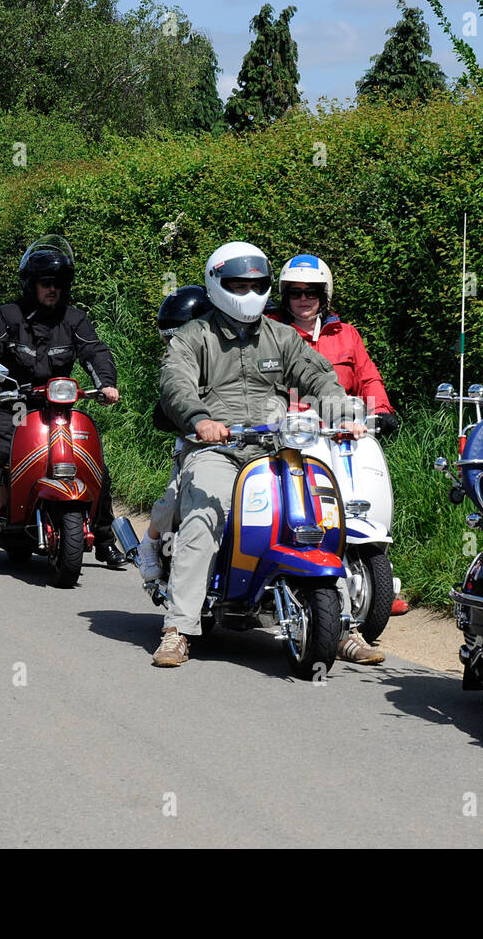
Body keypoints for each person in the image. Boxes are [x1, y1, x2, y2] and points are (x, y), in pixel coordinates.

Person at [151, 241, 363, 667]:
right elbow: (176, 384)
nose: (249, 293)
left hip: (277, 448)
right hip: (216, 448)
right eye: (238, 284)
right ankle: (178, 627)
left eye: (257, 284)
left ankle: (339, 623)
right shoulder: (195, 337)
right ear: (217, 284)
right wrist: (199, 419)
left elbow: (316, 374)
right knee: (204, 517)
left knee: (321, 517)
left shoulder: (280, 336)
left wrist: (343, 411)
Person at [0, 235, 123, 572]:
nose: (52, 290)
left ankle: (106, 542)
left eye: (58, 284)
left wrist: (106, 384)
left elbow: (95, 351)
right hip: (16, 405)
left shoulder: (74, 319)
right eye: (45, 283)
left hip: (59, 410)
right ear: (31, 284)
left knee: (95, 466)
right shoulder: (8, 316)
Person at [275, 252, 402, 662]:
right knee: (317, 519)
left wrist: (380, 410)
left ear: (324, 294)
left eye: (311, 292)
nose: (303, 299)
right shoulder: (273, 332)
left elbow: (367, 375)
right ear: (284, 296)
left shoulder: (345, 334)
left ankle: (360, 591)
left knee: (355, 503)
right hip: (295, 437)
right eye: (295, 292)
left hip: (347, 433)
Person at [135, 285, 213, 582]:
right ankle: (151, 543)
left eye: (179, 336)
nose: (173, 344)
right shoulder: (176, 365)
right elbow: (166, 407)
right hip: (192, 445)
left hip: (241, 443)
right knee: (175, 498)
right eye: (169, 338)